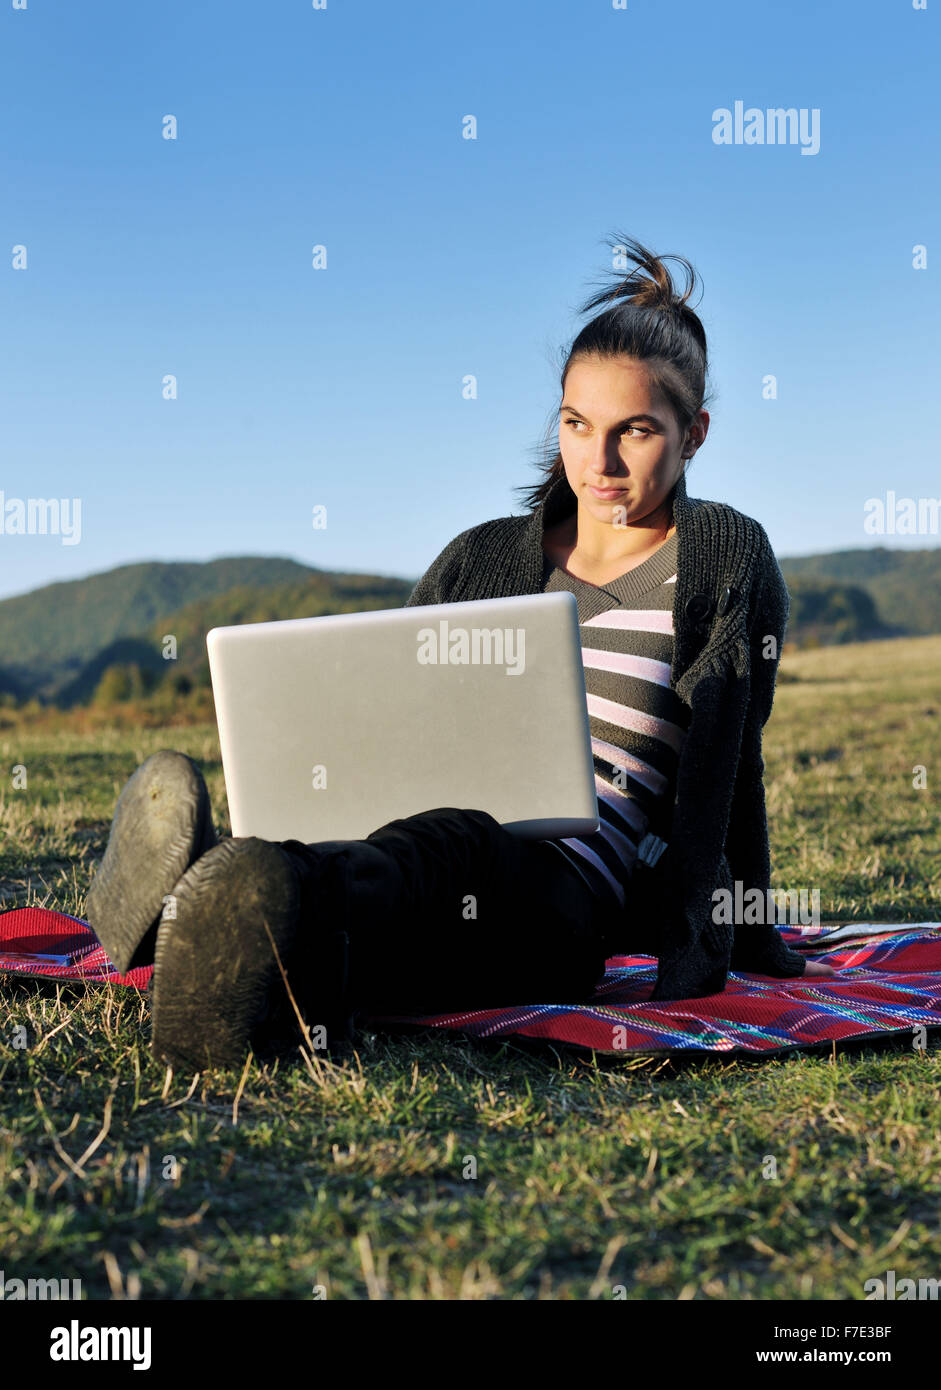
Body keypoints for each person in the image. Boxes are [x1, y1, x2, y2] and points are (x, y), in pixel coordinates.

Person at [84, 234, 835, 1071]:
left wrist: (739, 925)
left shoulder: (722, 556)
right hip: (415, 864)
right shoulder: (481, 558)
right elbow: (385, 707)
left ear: (692, 434)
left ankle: (233, 888)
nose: (601, 460)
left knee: (459, 847)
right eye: (577, 425)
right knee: (412, 893)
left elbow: (730, 761)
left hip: (562, 905)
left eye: (636, 431)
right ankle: (245, 928)